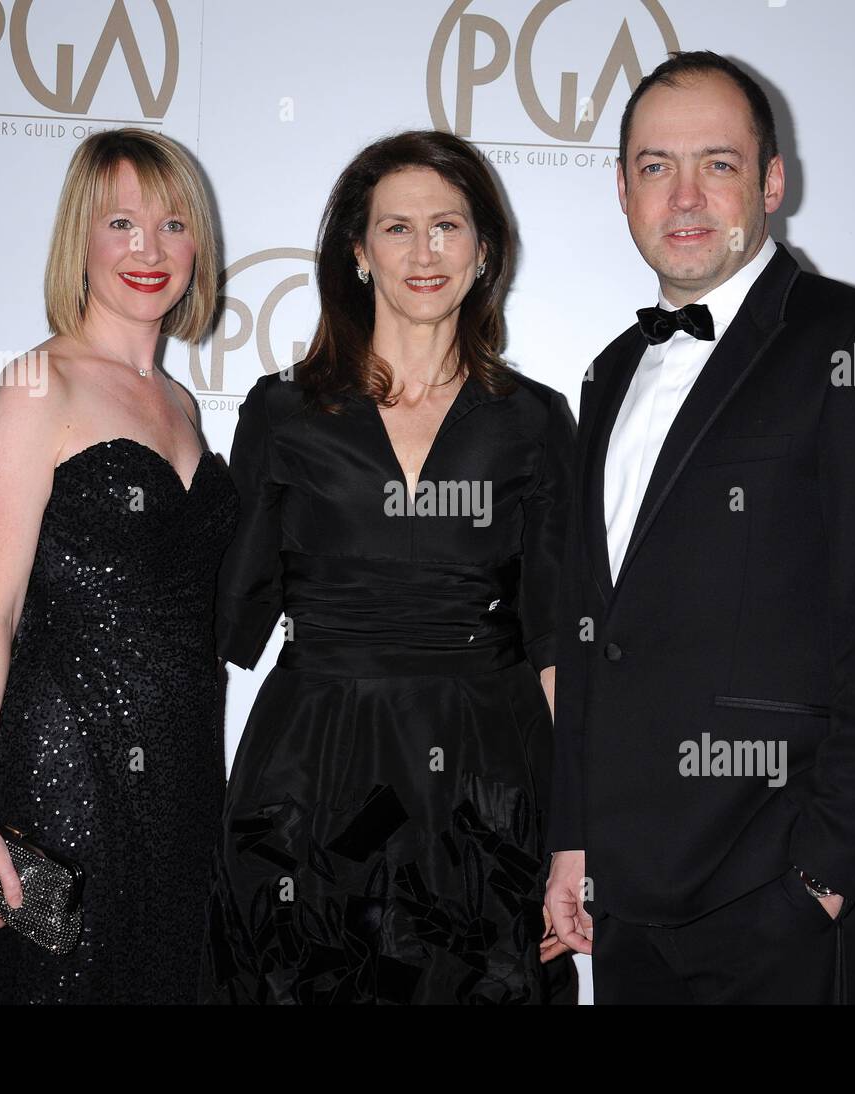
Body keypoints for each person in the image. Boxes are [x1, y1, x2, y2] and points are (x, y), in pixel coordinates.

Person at [545, 51, 855, 1004]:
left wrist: (821, 880)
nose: (685, 195)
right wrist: (573, 840)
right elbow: (587, 625)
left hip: (768, 887)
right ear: (621, 189)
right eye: (656, 166)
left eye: (718, 164)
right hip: (624, 892)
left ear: (772, 181)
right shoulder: (610, 374)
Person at [199, 130, 577, 1004]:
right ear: (359, 253)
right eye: (397, 228)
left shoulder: (535, 421)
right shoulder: (283, 413)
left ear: (484, 250)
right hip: (315, 773)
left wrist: (576, 835)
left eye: (447, 225)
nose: (424, 251)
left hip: (487, 784)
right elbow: (225, 621)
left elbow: (558, 638)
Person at [0, 128, 237, 1003]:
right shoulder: (40, 386)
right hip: (66, 767)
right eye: (121, 224)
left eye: (174, 225)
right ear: (82, 240)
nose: (149, 250)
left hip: (183, 770)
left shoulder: (181, 405)